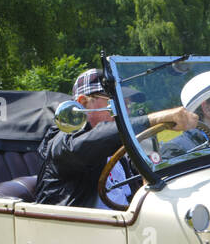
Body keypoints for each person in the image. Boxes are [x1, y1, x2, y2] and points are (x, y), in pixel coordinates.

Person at [35, 68, 196, 209]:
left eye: (126, 105)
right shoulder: (60, 139)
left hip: (122, 227)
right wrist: (153, 119)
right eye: (116, 104)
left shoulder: (118, 145)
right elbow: (85, 145)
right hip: (75, 234)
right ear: (83, 103)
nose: (125, 112)